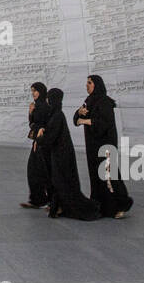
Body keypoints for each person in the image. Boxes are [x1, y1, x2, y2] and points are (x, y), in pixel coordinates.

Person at [35, 88, 99, 220]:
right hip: (60, 153)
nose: (46, 100)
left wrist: (40, 138)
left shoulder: (57, 115)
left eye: (48, 97)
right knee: (60, 182)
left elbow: (51, 136)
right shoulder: (55, 114)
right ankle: (59, 206)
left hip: (61, 155)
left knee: (62, 182)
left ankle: (84, 208)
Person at [75, 75, 133, 218]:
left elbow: (102, 124)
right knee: (96, 176)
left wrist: (85, 120)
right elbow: (76, 121)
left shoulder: (105, 102)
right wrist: (78, 113)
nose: (86, 85)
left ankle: (121, 204)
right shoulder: (89, 101)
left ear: (97, 85)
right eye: (87, 82)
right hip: (93, 146)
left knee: (110, 175)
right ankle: (101, 205)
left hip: (105, 145)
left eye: (89, 83)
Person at [21, 82, 50, 209]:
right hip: (37, 143)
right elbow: (33, 125)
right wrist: (30, 112)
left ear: (41, 92)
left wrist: (39, 141)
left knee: (41, 172)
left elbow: (45, 126)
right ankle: (37, 200)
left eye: (35, 90)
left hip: (42, 144)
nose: (33, 93)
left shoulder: (45, 106)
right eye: (32, 90)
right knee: (33, 171)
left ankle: (45, 200)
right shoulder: (37, 106)